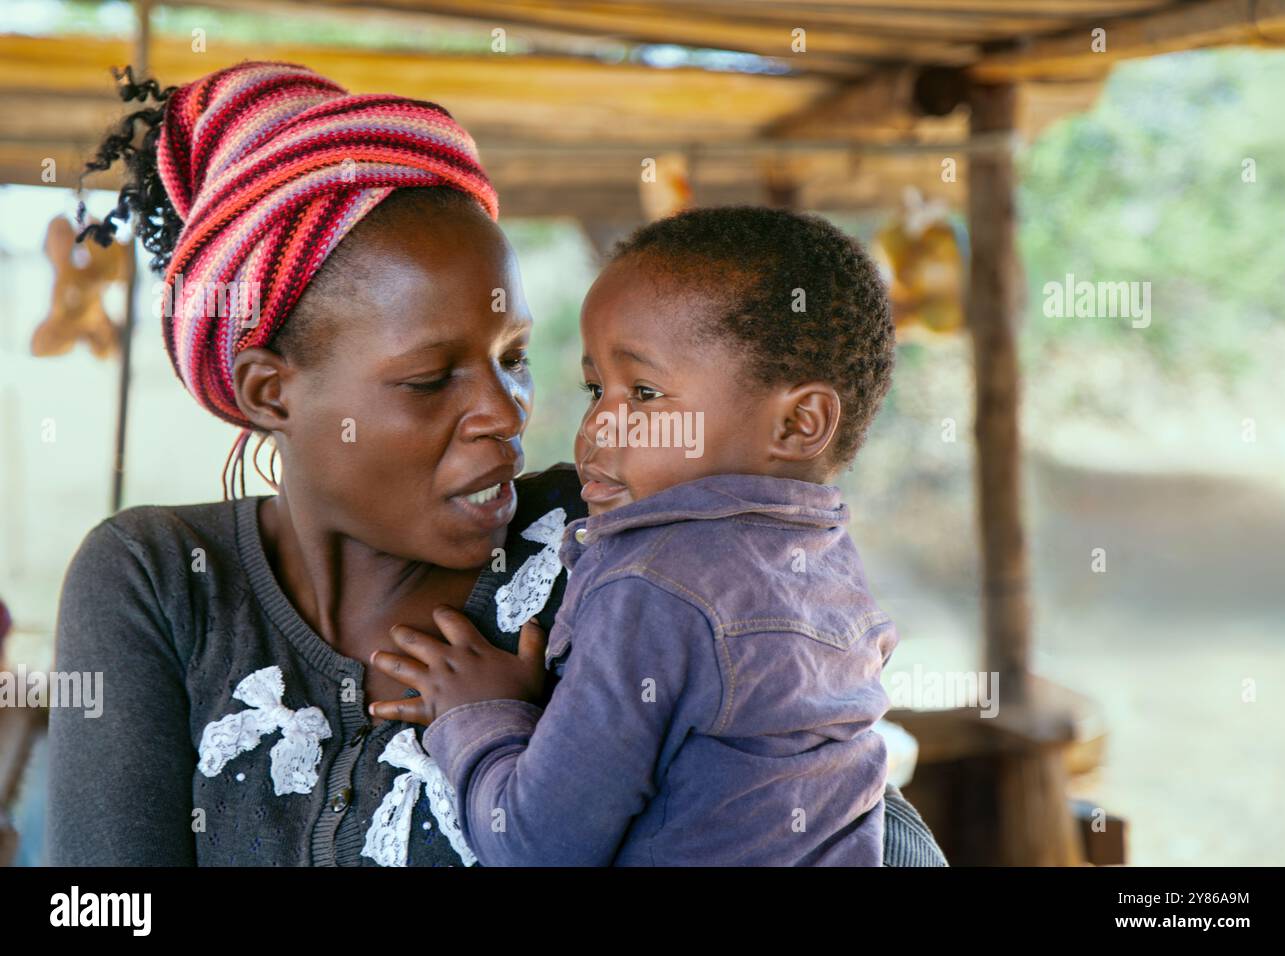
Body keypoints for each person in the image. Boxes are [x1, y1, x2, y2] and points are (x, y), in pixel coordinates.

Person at [46, 60, 583, 867]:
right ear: (271, 394)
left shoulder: (595, 544)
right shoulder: (158, 581)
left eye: (514, 358)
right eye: (431, 379)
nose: (507, 415)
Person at [370, 207, 903, 865]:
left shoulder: (654, 587)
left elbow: (537, 845)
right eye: (596, 389)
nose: (598, 428)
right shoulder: (829, 568)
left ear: (798, 425)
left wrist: (480, 713)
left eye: (644, 393)